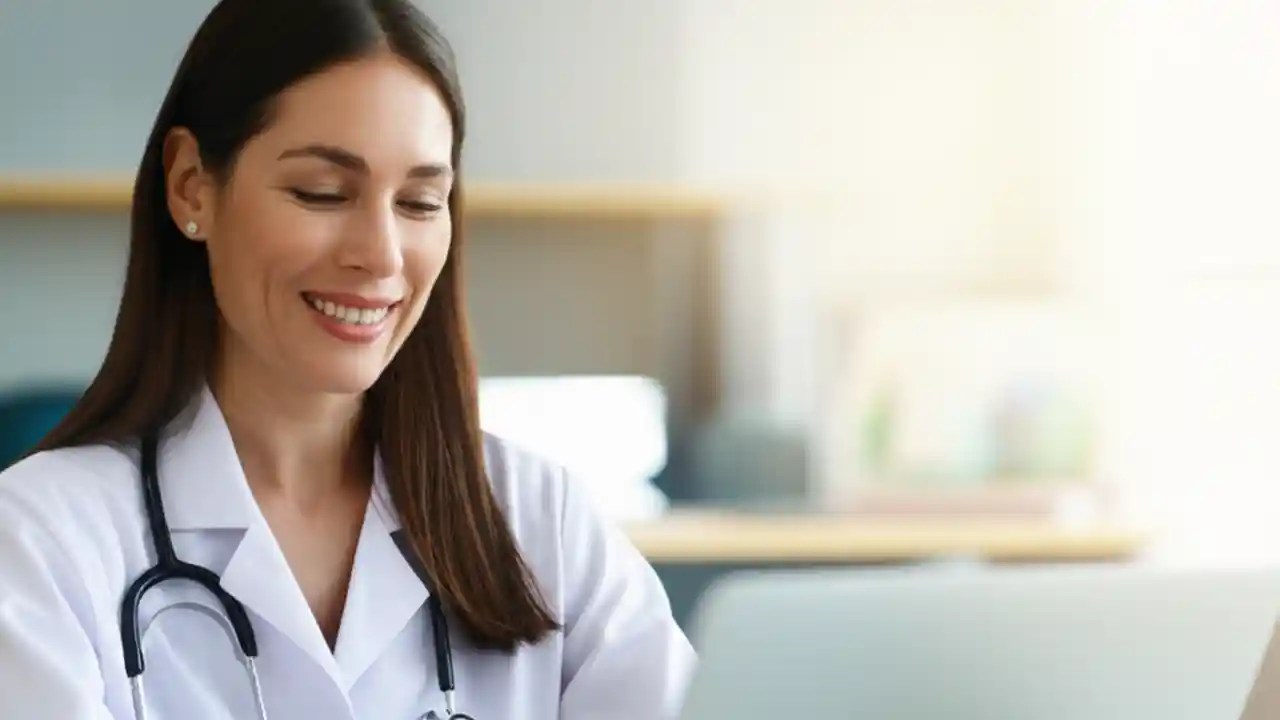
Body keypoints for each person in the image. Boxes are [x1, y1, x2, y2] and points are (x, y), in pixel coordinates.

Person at [0, 1, 696, 718]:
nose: (382, 254)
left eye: (421, 202)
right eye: (322, 193)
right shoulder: (41, 540)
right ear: (190, 186)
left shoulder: (539, 522)